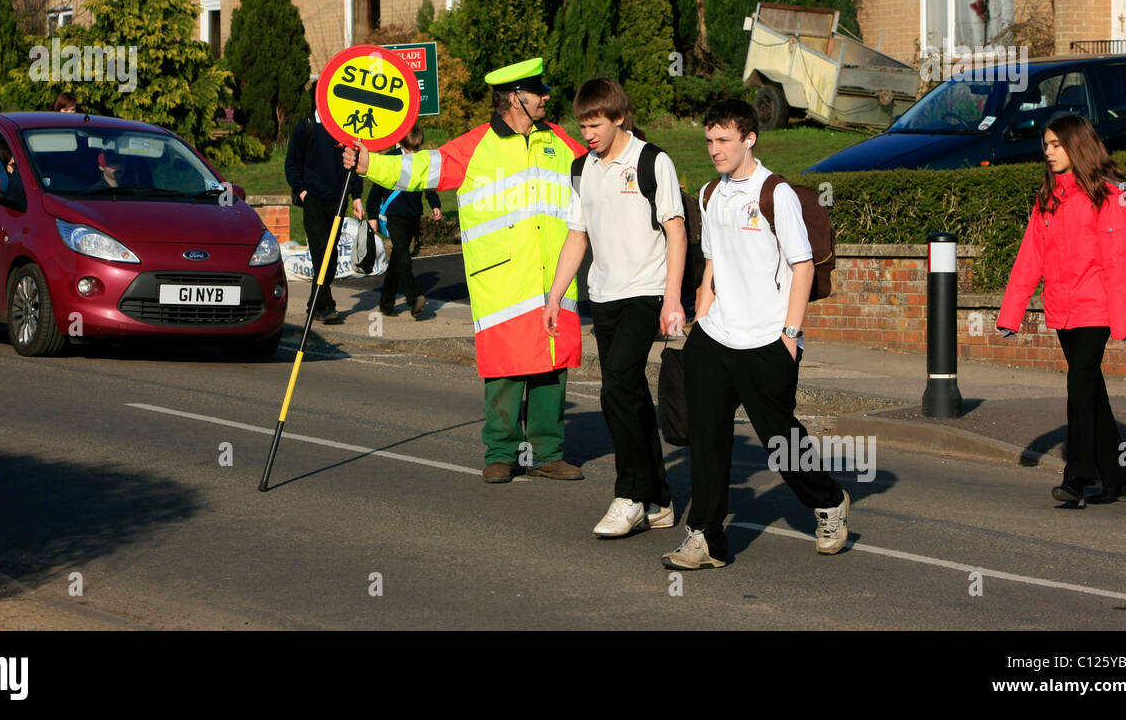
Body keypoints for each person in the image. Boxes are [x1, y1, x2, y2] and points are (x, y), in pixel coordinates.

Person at [344, 56, 588, 482]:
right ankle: (501, 452)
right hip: (502, 283)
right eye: (537, 92)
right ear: (514, 99)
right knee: (507, 368)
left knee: (551, 366)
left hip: (554, 280)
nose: (547, 97)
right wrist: (370, 165)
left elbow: (601, 169)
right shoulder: (476, 145)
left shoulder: (560, 141)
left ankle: (548, 452)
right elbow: (421, 169)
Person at [663, 99, 848, 570]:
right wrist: (700, 315)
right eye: (709, 140)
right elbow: (713, 263)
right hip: (717, 334)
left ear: (750, 139)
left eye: (723, 140)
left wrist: (790, 334)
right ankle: (705, 538)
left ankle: (828, 503)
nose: (714, 150)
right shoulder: (709, 194)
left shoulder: (775, 193)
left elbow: (802, 266)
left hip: (768, 337)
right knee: (707, 438)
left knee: (779, 439)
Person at [544, 78, 685, 537]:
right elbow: (576, 235)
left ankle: (629, 496)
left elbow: (676, 232)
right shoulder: (581, 169)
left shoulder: (651, 161)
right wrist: (555, 295)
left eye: (596, 123)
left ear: (619, 117)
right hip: (603, 296)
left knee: (615, 388)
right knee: (631, 396)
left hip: (646, 291)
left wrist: (672, 299)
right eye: (582, 124)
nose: (588, 133)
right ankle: (660, 498)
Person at [997, 113, 1126, 506]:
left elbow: (1119, 262)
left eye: (1056, 145)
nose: (1048, 152)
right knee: (1093, 391)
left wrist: (1123, 321)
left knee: (1079, 387)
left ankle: (1077, 475)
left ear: (1076, 147)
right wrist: (1012, 313)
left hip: (1095, 310)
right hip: (1062, 309)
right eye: (1046, 145)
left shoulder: (1107, 198)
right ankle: (1117, 476)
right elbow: (1030, 258)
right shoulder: (1048, 199)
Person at [286, 97, 365, 325]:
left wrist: (356, 196)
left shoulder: (344, 129)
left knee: (330, 255)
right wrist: (302, 193)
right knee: (322, 253)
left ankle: (315, 304)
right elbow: (292, 164)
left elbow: (353, 164)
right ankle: (326, 306)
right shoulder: (306, 127)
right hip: (313, 201)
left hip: (337, 201)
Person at [366, 125, 442, 319]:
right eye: (409, 149)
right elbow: (376, 189)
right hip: (394, 216)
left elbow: (428, 184)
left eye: (416, 149)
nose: (413, 153)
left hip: (413, 214)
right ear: (401, 144)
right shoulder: (390, 159)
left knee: (397, 260)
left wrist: (435, 204)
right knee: (404, 258)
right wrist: (372, 216)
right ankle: (414, 298)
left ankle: (386, 302)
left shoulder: (421, 159)